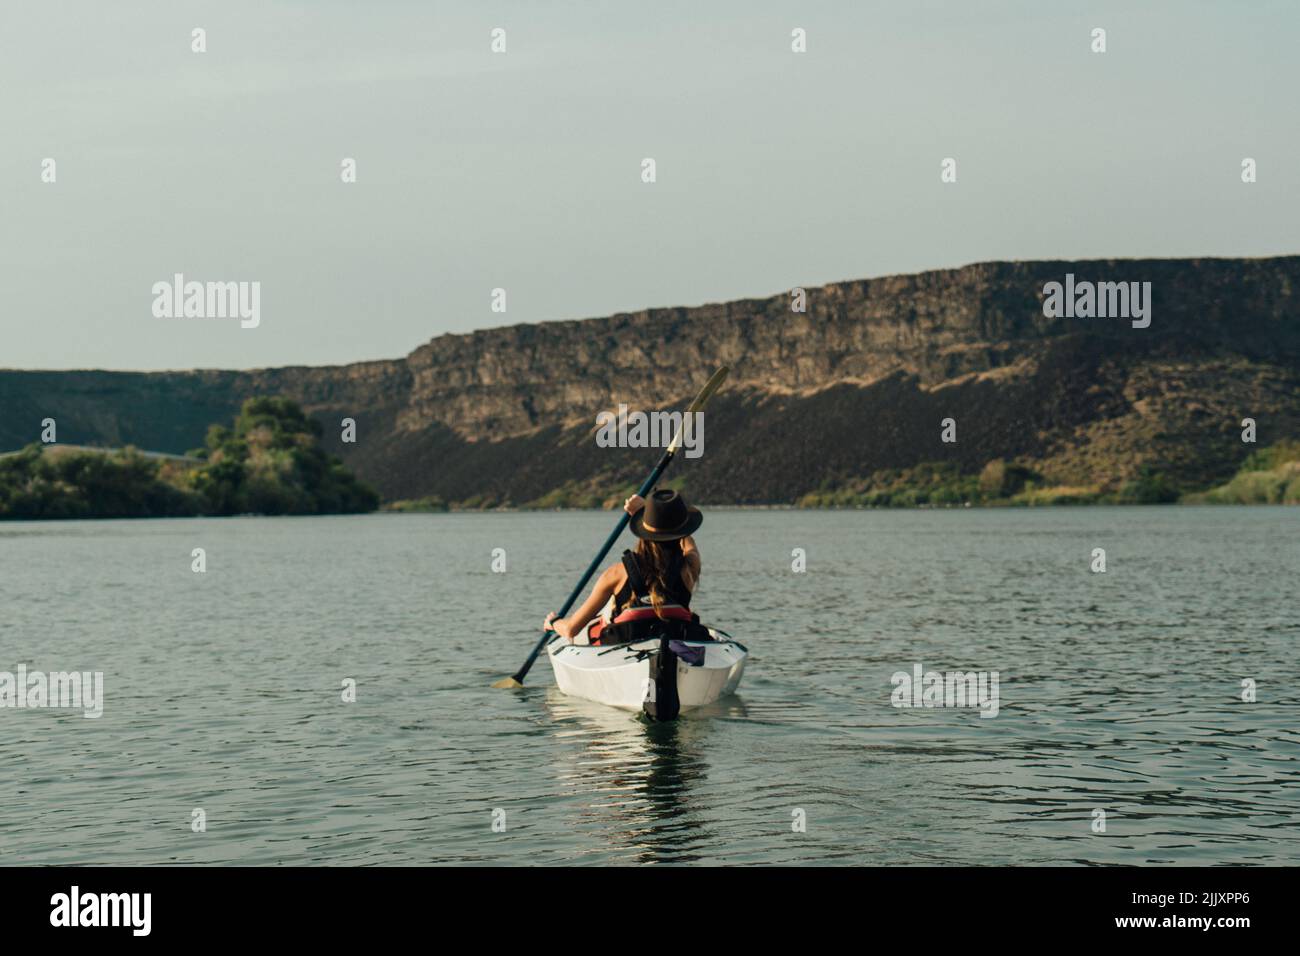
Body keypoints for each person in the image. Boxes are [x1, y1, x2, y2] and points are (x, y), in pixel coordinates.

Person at [543, 489, 703, 644]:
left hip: (627, 646)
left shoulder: (615, 574)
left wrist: (553, 622)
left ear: (643, 532)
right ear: (682, 531)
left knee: (607, 613)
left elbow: (571, 630)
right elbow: (689, 545)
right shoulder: (690, 568)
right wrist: (651, 514)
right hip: (676, 639)